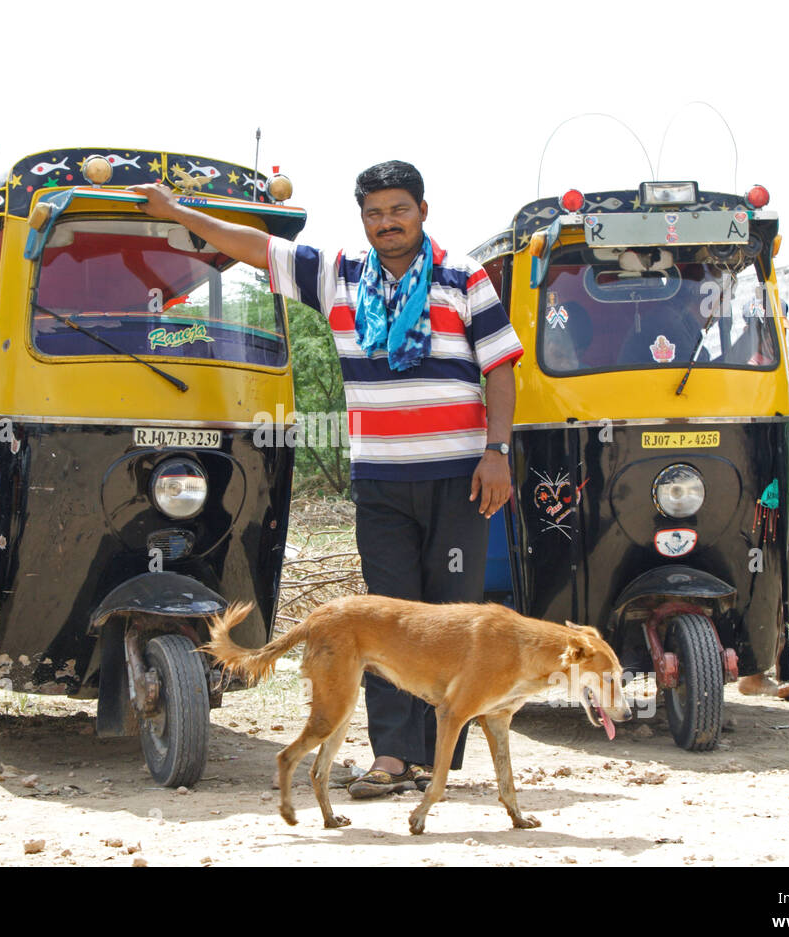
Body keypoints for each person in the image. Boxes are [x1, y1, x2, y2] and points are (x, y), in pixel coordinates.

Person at [132, 161, 523, 797]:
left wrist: (498, 451)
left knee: (451, 622)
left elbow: (501, 370)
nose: (387, 222)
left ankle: (440, 757)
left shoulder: (464, 278)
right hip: (380, 482)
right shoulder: (338, 274)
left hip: (461, 478)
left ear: (423, 211)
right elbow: (258, 249)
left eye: (398, 209)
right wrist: (178, 212)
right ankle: (395, 757)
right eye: (374, 213)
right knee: (385, 624)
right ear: (362, 219)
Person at [737, 303, 789, 699]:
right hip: (746, 494)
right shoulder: (734, 375)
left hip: (779, 493)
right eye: (764, 325)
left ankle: (777, 667)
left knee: (783, 577)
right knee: (756, 578)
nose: (771, 332)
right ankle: (752, 672)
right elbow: (742, 436)